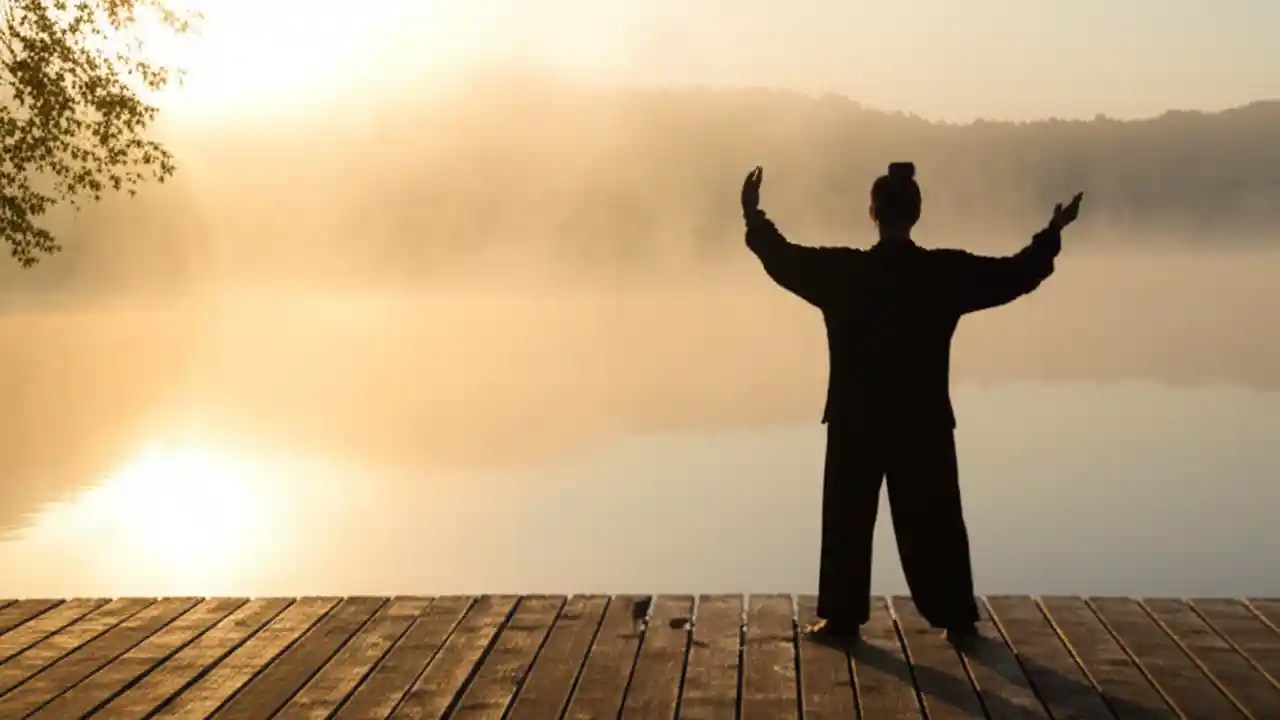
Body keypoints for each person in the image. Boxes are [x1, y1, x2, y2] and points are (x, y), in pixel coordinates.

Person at [741, 163, 1083, 646]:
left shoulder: (845, 273)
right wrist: (1052, 232)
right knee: (936, 519)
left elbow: (783, 258)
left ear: (873, 213)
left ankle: (842, 618)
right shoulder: (942, 273)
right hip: (922, 417)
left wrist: (753, 215)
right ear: (916, 213)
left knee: (847, 518)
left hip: (856, 416)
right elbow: (1015, 274)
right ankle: (957, 619)